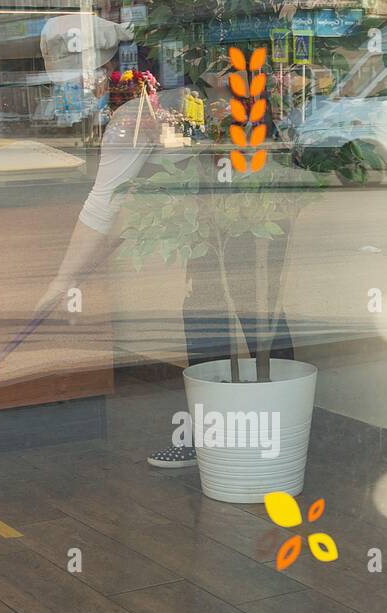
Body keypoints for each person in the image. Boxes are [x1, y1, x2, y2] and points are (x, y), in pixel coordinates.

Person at [33, 15, 294, 469]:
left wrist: (62, 281)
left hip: (244, 196)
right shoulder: (156, 65)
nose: (82, 90)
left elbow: (103, 203)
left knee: (233, 310)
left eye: (83, 79)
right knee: (240, 307)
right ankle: (258, 432)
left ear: (104, 67)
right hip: (233, 191)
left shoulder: (137, 104)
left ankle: (251, 437)